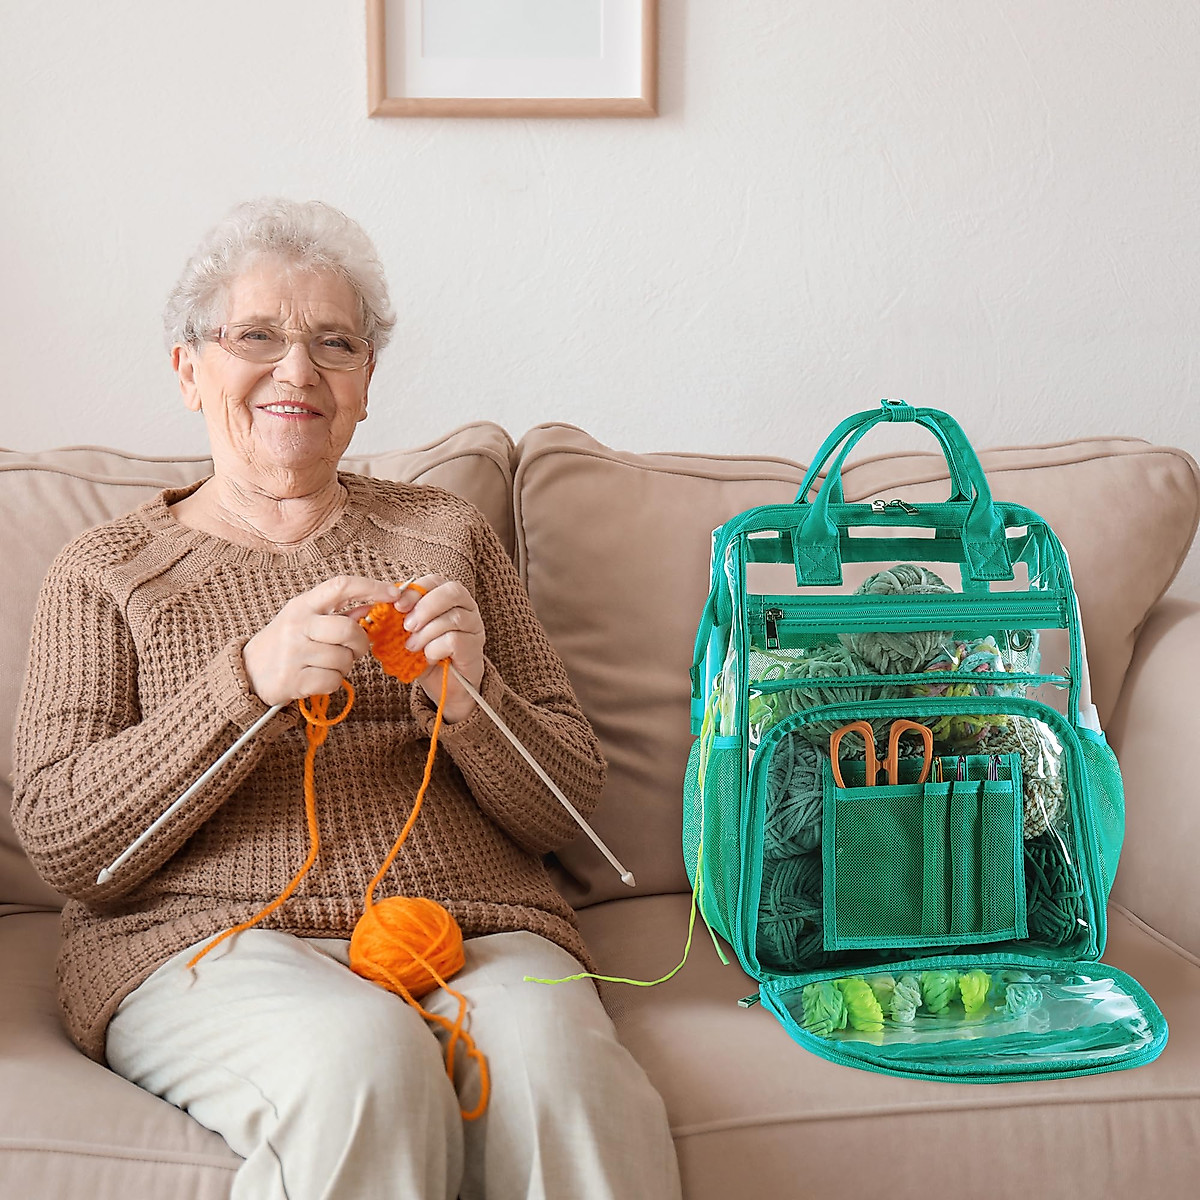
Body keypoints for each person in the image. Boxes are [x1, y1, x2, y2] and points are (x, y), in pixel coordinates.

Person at [12, 198, 682, 1200]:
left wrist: (473, 700)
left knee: (564, 1073)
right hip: (210, 946)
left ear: (367, 382)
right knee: (364, 1059)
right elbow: (63, 836)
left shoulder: (445, 536)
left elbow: (573, 803)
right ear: (187, 368)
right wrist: (243, 689)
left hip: (476, 931)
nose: (297, 370)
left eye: (335, 342)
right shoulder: (106, 571)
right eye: (256, 337)